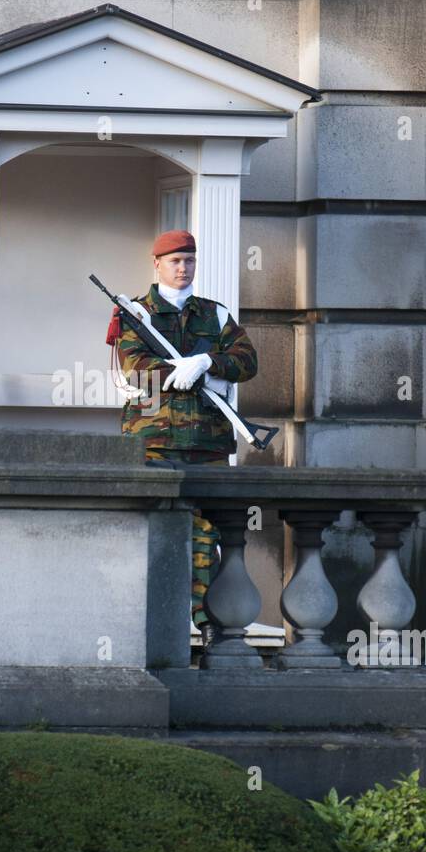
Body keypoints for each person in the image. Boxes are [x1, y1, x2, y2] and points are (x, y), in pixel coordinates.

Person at [106, 228, 259, 643]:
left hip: (207, 443)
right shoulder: (135, 315)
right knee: (154, 532)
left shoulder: (215, 315)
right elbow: (134, 366)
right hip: (154, 440)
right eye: (175, 261)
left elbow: (246, 361)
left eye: (189, 260)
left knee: (207, 537)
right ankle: (149, 628)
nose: (183, 268)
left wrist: (208, 360)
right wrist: (180, 373)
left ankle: (209, 625)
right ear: (157, 265)